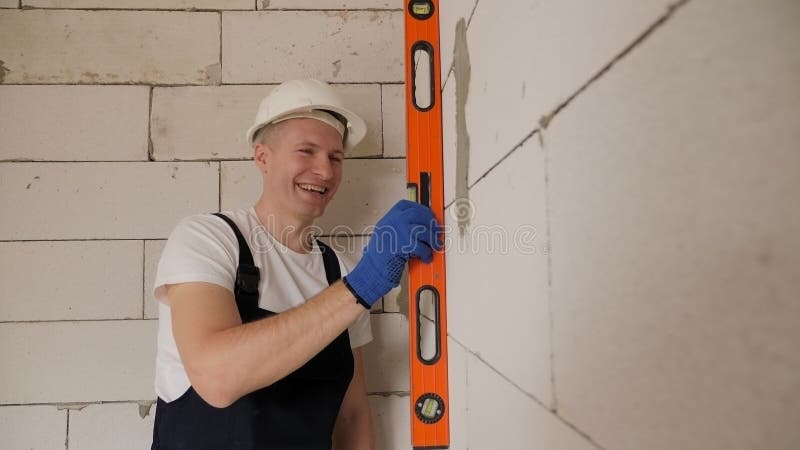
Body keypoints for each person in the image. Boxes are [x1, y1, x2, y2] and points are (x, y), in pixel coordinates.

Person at [150, 79, 442, 450]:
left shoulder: (341, 270)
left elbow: (351, 415)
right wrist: (363, 286)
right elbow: (216, 377)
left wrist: (357, 283)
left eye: (336, 157)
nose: (325, 171)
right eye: (307, 151)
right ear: (263, 157)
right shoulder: (207, 239)